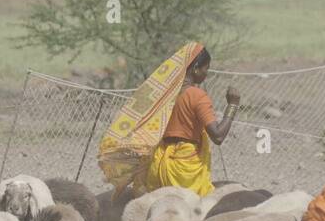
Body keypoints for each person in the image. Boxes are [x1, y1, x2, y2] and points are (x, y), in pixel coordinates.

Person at [98, 42, 239, 199]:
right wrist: (232, 105)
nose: (206, 74)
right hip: (185, 169)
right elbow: (218, 136)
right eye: (206, 68)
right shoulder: (197, 96)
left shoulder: (164, 96)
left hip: (158, 165)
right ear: (195, 68)